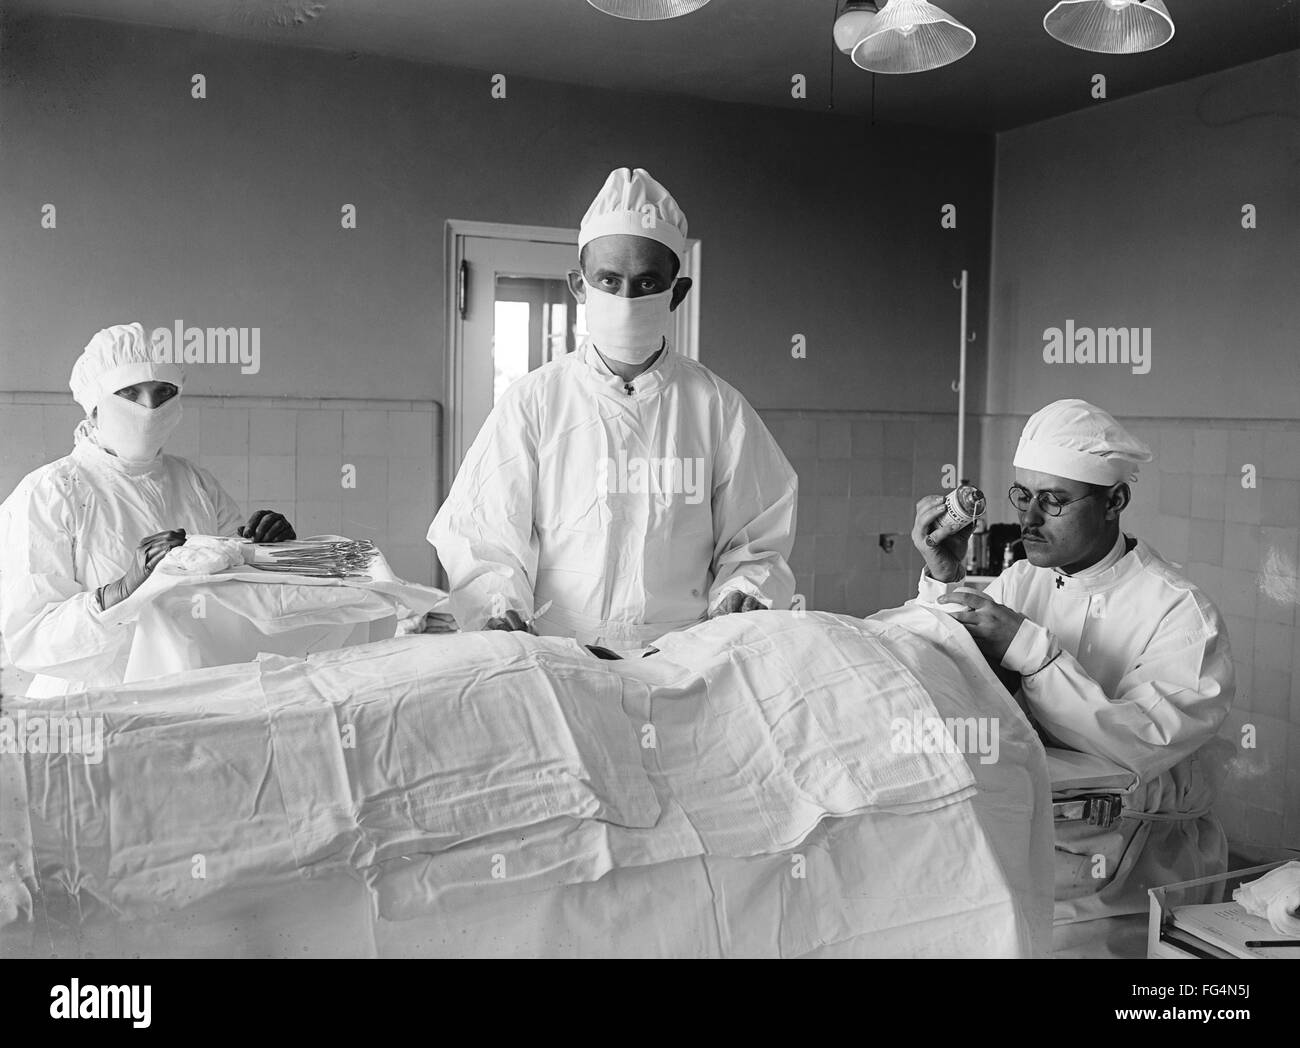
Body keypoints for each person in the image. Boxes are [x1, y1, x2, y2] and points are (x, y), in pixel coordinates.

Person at [910, 398, 1234, 949]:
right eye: (1023, 496)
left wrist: (1031, 652)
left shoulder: (1180, 614)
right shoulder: (1022, 581)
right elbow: (953, 676)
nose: (1029, 519)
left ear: (1116, 500)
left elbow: (1134, 745)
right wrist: (944, 580)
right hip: (1036, 848)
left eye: (1054, 501)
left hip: (1137, 874)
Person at [429, 167, 797, 650]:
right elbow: (483, 538)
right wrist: (500, 609)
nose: (625, 299)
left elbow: (756, 542)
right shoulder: (535, 402)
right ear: (579, 287)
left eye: (646, 284)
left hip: (681, 657)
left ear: (677, 292)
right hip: (558, 655)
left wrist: (743, 593)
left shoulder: (718, 409)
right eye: (608, 280)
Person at [0, 323, 295, 698]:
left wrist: (270, 551)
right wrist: (121, 592)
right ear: (93, 406)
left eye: (163, 393)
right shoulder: (48, 493)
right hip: (91, 703)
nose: (149, 408)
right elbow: (31, 639)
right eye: (129, 393)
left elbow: (237, 592)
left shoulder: (194, 482)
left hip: (192, 689)